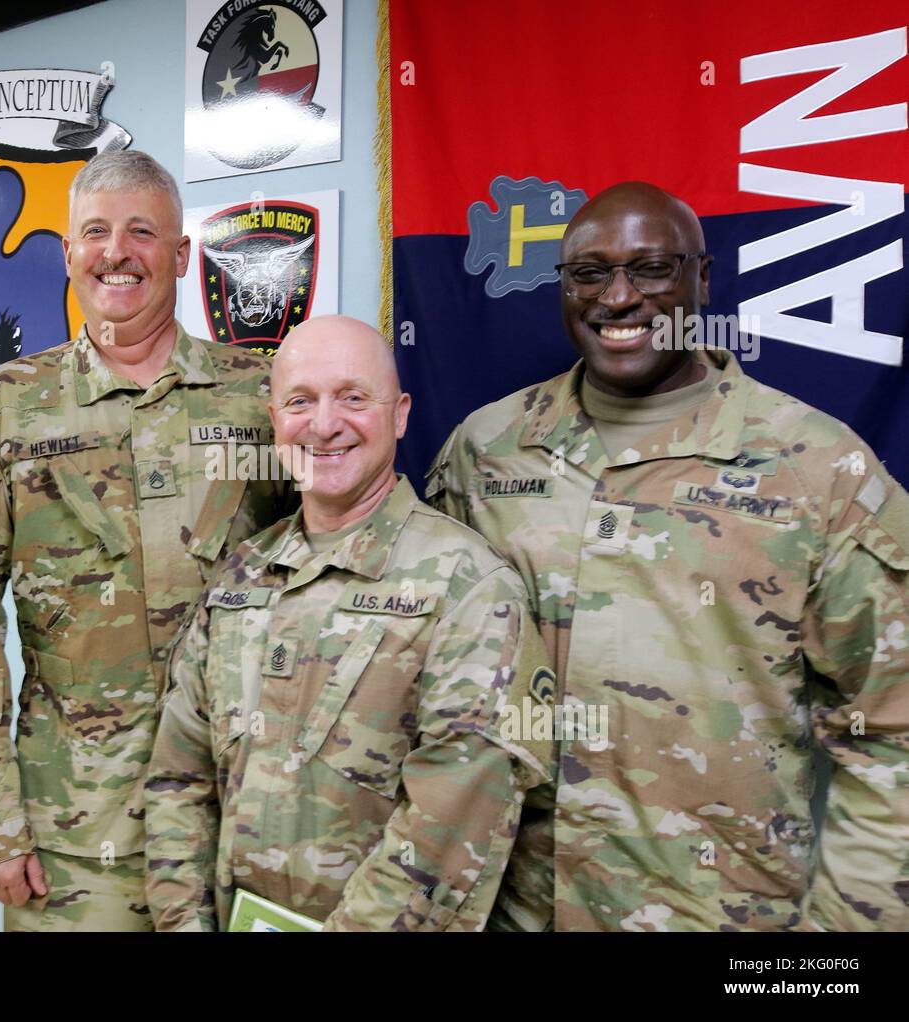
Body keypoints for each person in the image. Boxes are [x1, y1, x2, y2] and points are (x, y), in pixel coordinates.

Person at [427, 182, 909, 931]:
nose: (618, 297)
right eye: (589, 273)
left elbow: (892, 735)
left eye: (651, 270)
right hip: (514, 909)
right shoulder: (486, 449)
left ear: (701, 280)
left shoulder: (816, 466)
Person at [0, 150, 293, 931]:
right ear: (68, 253)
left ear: (183, 255)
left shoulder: (265, 396)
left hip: (246, 812)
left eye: (142, 231)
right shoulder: (3, 407)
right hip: (77, 831)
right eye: (95, 231)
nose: (116, 251)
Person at [143, 315, 555, 931]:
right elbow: (179, 780)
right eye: (300, 401)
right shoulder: (241, 579)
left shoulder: (467, 588)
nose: (326, 424)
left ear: (400, 414)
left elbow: (450, 828)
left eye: (354, 398)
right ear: (275, 419)